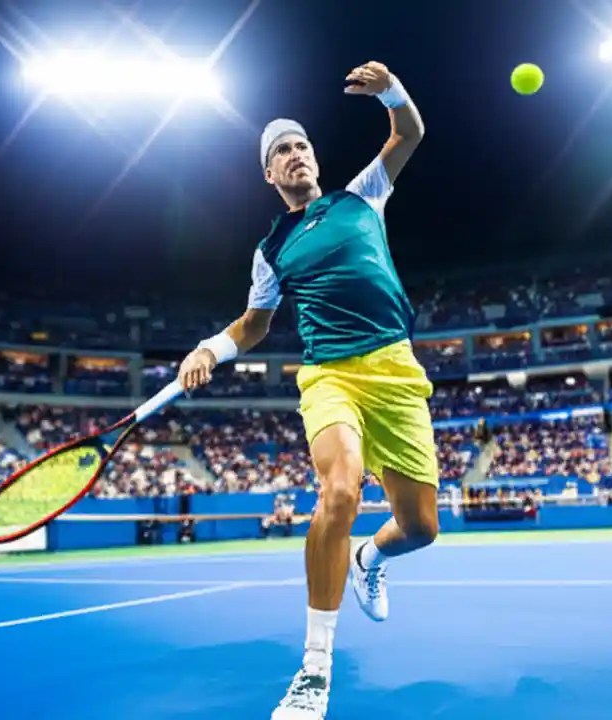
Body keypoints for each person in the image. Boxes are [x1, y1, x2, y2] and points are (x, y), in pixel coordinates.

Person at [177, 60, 437, 719]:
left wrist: (392, 94)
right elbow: (254, 325)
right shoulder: (272, 247)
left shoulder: (360, 197)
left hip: (396, 370)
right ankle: (313, 673)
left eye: (299, 145)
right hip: (330, 375)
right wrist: (210, 349)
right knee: (341, 489)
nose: (293, 155)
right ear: (270, 174)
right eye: (280, 152)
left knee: (420, 528)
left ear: (313, 159)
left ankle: (368, 557)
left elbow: (407, 134)